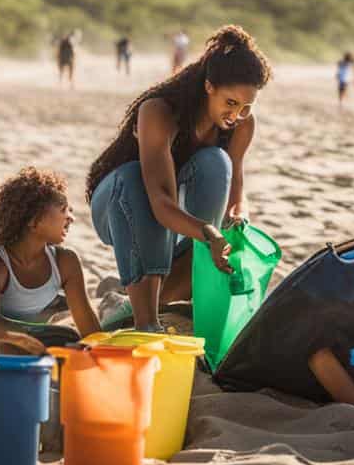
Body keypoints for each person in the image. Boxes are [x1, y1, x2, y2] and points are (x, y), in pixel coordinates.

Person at [87, 25, 271, 332]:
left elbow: (236, 188)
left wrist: (239, 218)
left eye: (245, 107)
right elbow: (160, 202)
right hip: (120, 206)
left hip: (174, 224)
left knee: (218, 162)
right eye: (230, 103)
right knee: (135, 176)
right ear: (209, 86)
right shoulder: (160, 111)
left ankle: (142, 304)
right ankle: (146, 321)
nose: (236, 115)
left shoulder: (241, 125)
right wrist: (209, 233)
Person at [0, 167, 101, 354]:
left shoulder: (66, 261)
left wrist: (101, 351)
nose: (71, 218)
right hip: (7, 350)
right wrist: (31, 336)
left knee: (71, 339)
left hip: (44, 347)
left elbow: (87, 324)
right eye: (63, 210)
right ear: (34, 221)